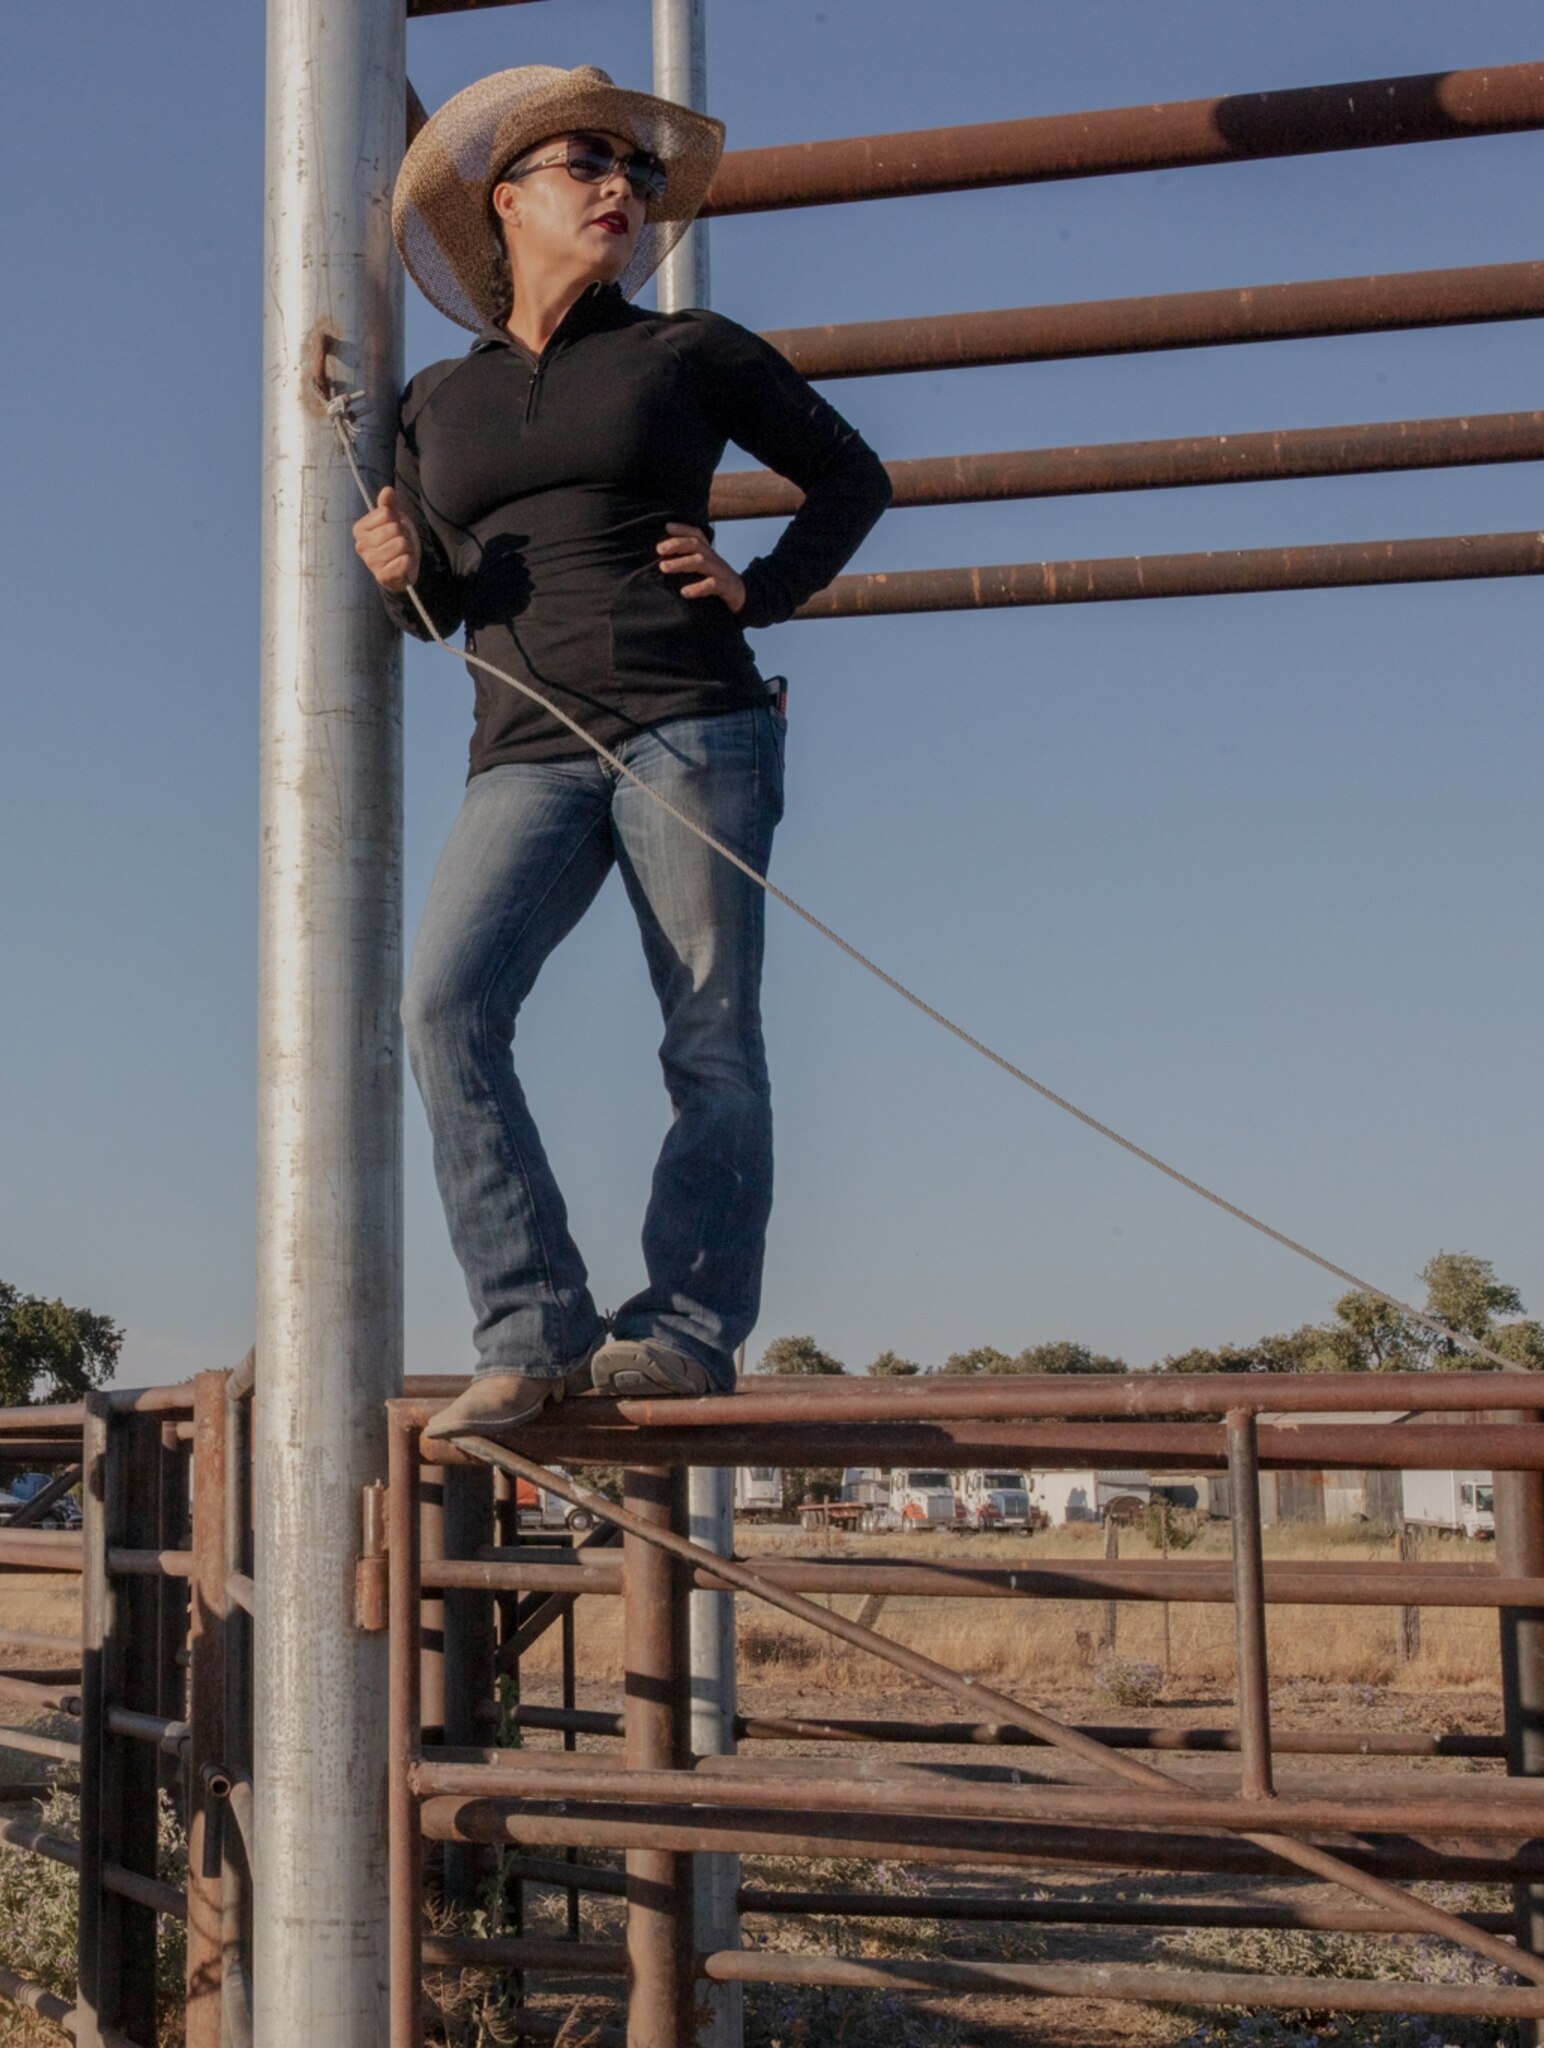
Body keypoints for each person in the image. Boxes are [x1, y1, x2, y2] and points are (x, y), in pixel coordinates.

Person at [360, 68, 892, 1438]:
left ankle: (685, 1331)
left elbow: (855, 478)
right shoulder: (433, 403)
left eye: (637, 174)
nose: (621, 189)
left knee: (708, 1032)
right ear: (508, 201)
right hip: (523, 749)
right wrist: (387, 568)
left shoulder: (687, 350)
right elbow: (433, 613)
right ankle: (531, 1324)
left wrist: (759, 587)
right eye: (588, 164)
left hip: (690, 722)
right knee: (442, 1008)